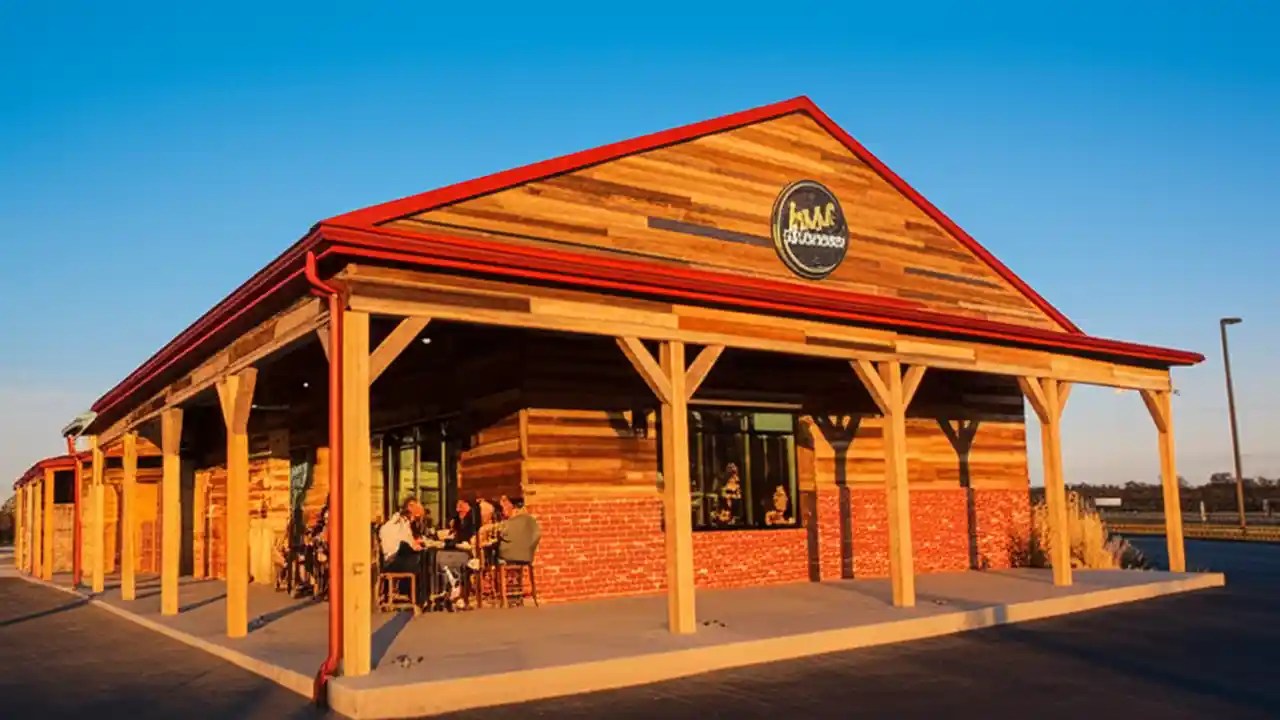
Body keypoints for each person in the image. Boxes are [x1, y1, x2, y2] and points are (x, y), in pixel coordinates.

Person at [378, 497, 429, 606]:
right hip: (393, 560)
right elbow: (405, 542)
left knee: (424, 557)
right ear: (410, 507)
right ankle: (421, 597)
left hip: (395, 557)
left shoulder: (404, 522)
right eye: (417, 507)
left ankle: (422, 596)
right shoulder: (399, 523)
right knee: (423, 559)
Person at [498, 496, 540, 565]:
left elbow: (501, 534)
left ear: (510, 505)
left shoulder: (508, 524)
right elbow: (537, 534)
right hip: (527, 556)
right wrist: (530, 549)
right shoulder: (530, 520)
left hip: (508, 557)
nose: (502, 511)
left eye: (503, 507)